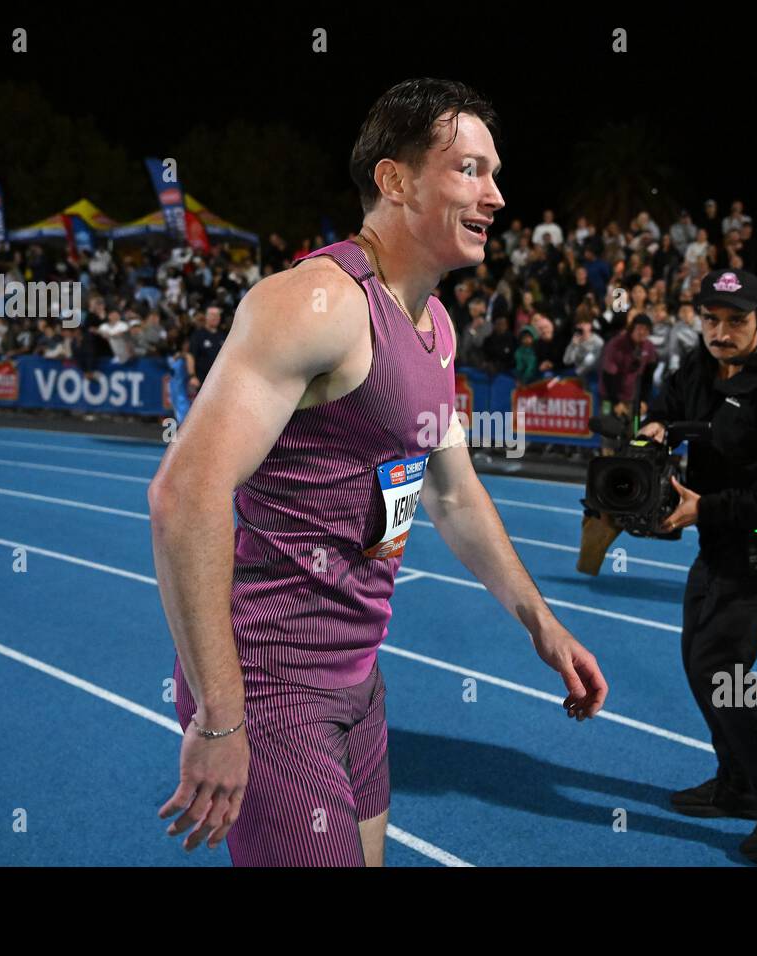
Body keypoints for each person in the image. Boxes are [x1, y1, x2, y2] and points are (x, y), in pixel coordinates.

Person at [148, 78, 607, 868]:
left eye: (495, 173)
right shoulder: (317, 304)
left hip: (359, 677)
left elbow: (453, 492)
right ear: (394, 180)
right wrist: (221, 717)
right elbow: (184, 495)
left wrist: (542, 622)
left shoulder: (436, 324)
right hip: (270, 685)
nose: (496, 196)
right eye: (469, 170)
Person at [638, 268, 757, 866]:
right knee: (697, 658)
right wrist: (656, 428)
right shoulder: (698, 369)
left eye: (736, 321)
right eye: (711, 319)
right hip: (717, 544)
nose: (720, 332)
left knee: (719, 665)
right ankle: (739, 783)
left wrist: (708, 508)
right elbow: (669, 408)